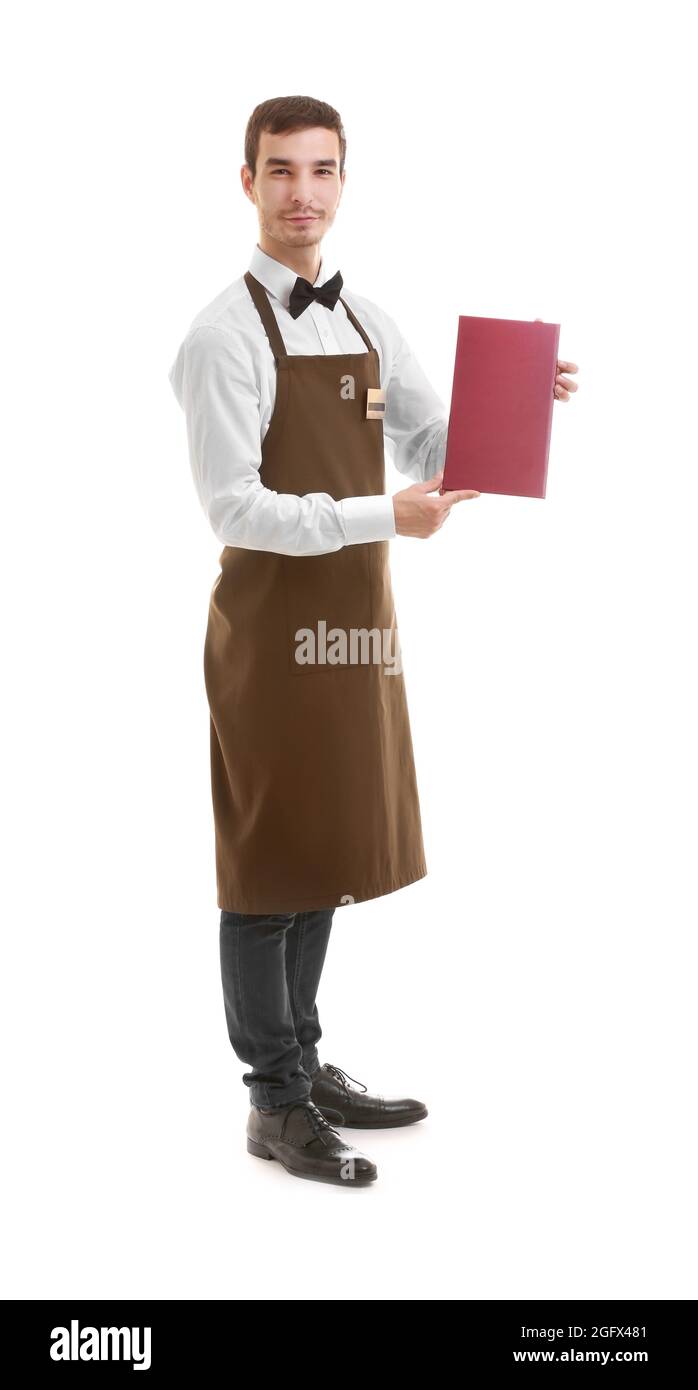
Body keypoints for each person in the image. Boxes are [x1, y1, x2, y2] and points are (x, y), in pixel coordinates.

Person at [168, 95, 578, 1188]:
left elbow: (433, 438)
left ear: (344, 181)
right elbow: (235, 509)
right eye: (280, 170)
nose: (303, 191)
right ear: (245, 182)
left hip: (352, 621)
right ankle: (272, 1101)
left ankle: (303, 1060)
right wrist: (380, 516)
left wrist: (520, 408)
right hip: (267, 631)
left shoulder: (360, 321)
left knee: (325, 847)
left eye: (322, 170)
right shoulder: (219, 337)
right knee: (266, 866)